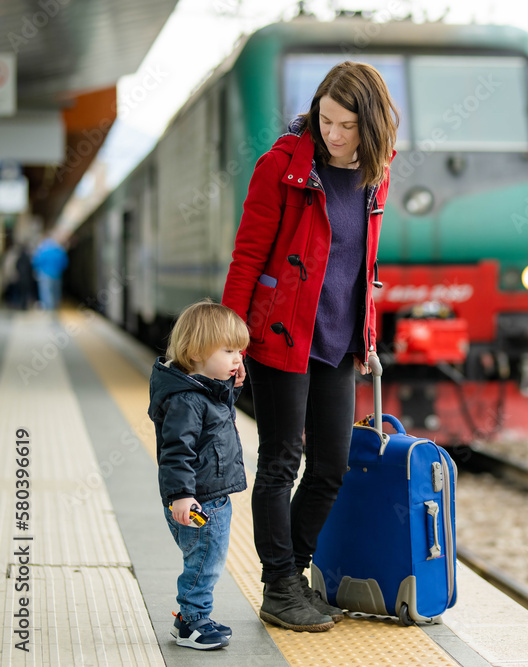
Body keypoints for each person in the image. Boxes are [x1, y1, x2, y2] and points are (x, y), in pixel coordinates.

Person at [222, 61, 398, 632]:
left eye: (347, 125)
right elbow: (248, 254)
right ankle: (278, 587)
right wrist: (229, 336)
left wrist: (368, 334)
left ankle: (291, 576)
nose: (334, 134)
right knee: (280, 462)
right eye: (325, 120)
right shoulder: (282, 166)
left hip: (338, 341)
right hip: (280, 335)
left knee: (332, 465)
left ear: (370, 128)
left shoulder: (376, 173)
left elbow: (361, 262)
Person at [148, 299, 250, 650]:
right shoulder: (186, 402)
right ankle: (192, 621)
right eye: (229, 350)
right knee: (204, 564)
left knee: (206, 561)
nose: (238, 358)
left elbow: (215, 419)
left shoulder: (200, 391)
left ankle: (193, 617)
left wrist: (232, 387)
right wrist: (181, 495)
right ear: (195, 353)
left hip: (209, 496)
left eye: (240, 350)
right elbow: (177, 452)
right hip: (198, 501)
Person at [31, 236, 68, 311]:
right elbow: (65, 263)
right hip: (57, 275)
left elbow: (36, 262)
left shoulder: (42, 250)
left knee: (46, 293)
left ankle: (49, 310)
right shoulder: (59, 250)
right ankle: (55, 309)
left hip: (44, 275)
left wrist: (38, 270)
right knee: (56, 293)